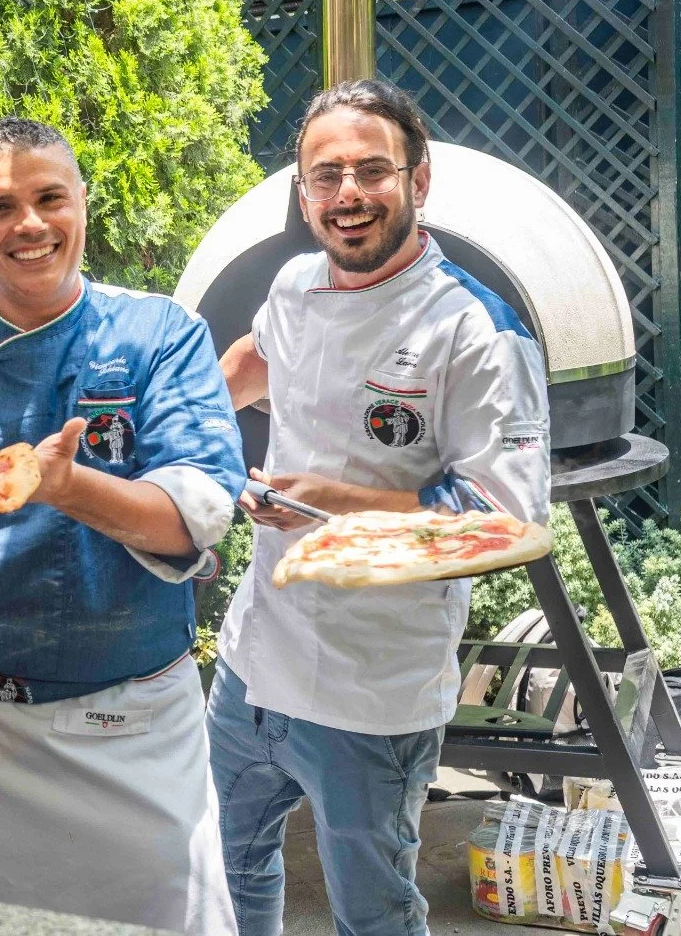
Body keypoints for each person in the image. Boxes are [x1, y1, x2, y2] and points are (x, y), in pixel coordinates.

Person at [0, 117, 245, 932]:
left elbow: (195, 515)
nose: (28, 224)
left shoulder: (162, 335)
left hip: (136, 720)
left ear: (83, 205)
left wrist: (67, 488)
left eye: (48, 199)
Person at [210, 79, 551, 936]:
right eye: (325, 176)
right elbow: (257, 360)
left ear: (419, 180)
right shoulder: (293, 285)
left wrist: (334, 506)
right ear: (303, 192)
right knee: (227, 867)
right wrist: (184, 416)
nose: (348, 195)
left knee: (375, 914)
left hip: (372, 693)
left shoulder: (474, 327)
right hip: (253, 662)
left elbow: (505, 521)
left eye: (371, 171)